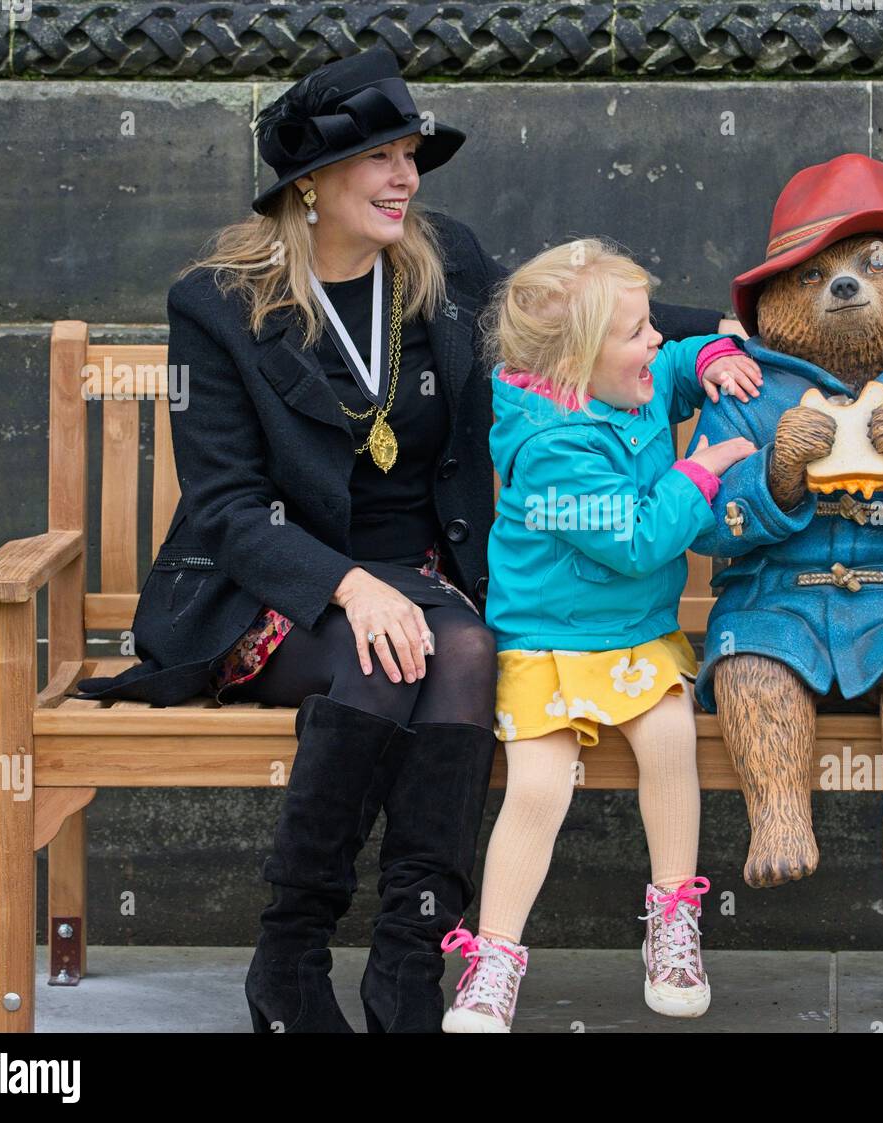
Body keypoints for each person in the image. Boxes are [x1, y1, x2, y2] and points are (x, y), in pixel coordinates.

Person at [72, 47, 746, 1033]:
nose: (406, 178)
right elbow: (225, 506)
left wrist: (726, 333)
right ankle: (290, 955)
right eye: (380, 157)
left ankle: (407, 967)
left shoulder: (442, 262)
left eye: (410, 155)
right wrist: (348, 586)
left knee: (456, 642)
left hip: (424, 577)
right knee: (394, 654)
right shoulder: (216, 306)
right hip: (272, 581)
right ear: (309, 184)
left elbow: (571, 315)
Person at [439, 239, 761, 1032]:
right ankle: (496, 957)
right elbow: (638, 539)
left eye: (649, 326)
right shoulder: (553, 447)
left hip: (636, 636)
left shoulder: (631, 381)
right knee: (539, 787)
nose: (656, 340)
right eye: (637, 332)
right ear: (579, 360)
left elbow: (679, 363)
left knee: (670, 741)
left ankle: (674, 919)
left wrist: (713, 355)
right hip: (547, 642)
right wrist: (703, 470)